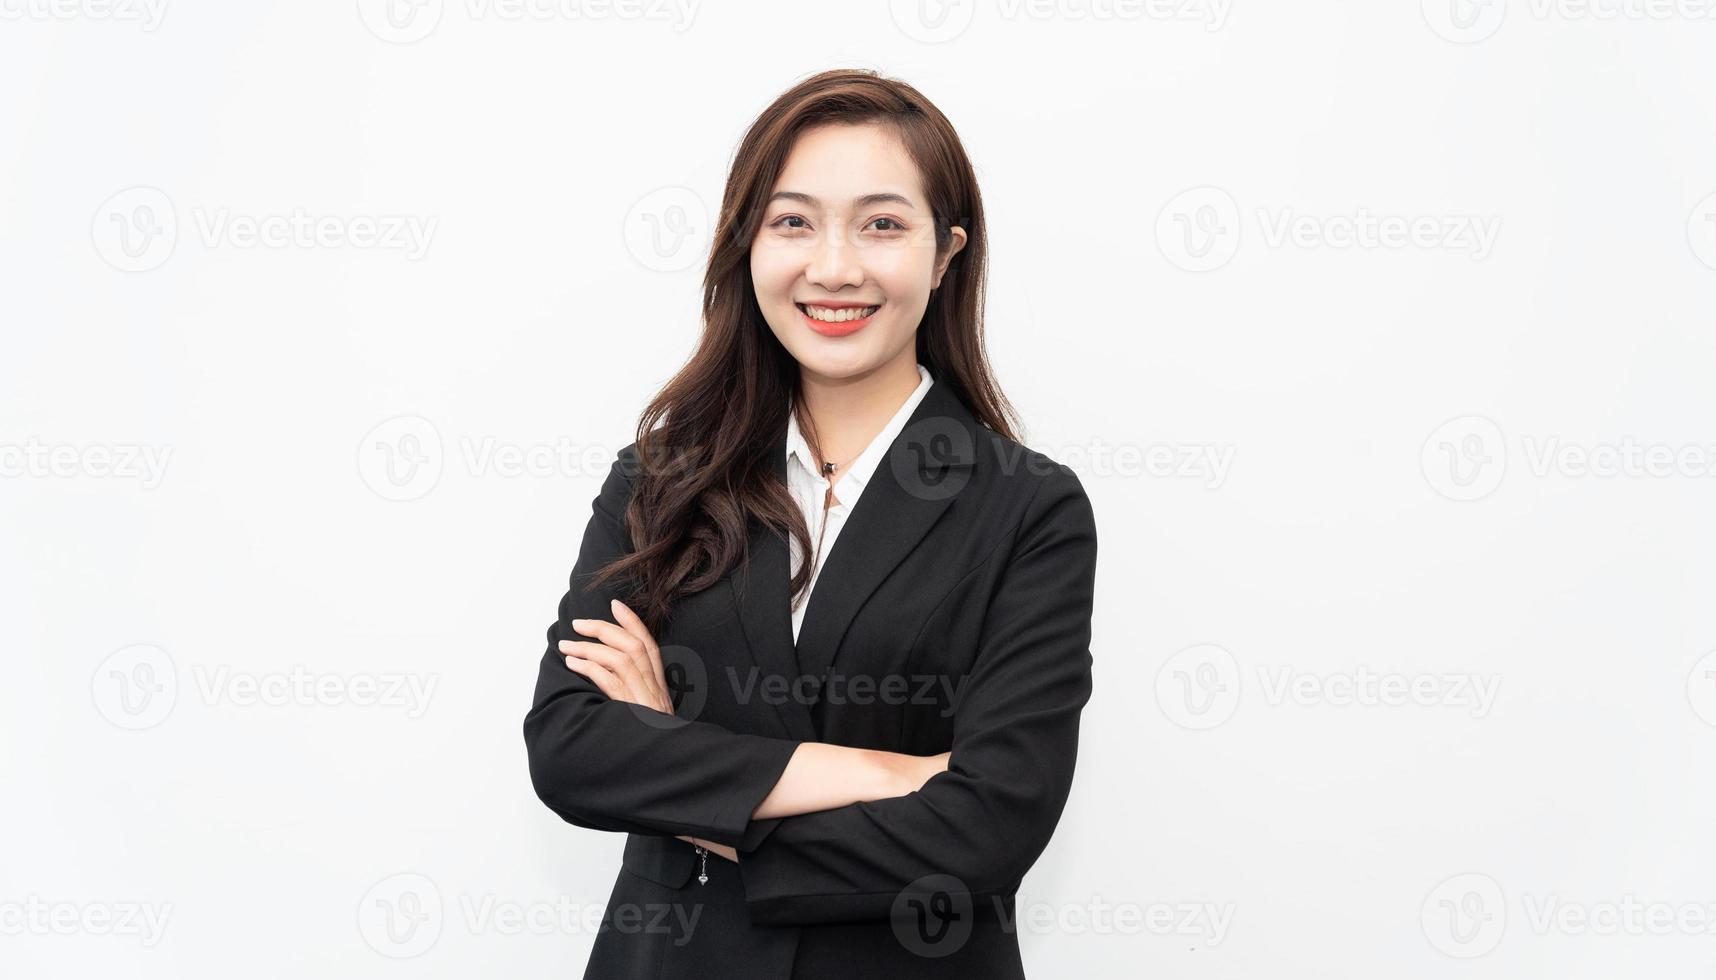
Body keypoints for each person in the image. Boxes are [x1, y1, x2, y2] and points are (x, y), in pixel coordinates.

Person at [522, 67, 1098, 980]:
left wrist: (685, 789)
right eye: (794, 221)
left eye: (881, 223)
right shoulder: (662, 476)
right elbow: (571, 747)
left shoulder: (1027, 509)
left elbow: (990, 826)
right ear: (747, 242)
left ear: (946, 252)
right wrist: (888, 773)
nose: (834, 267)